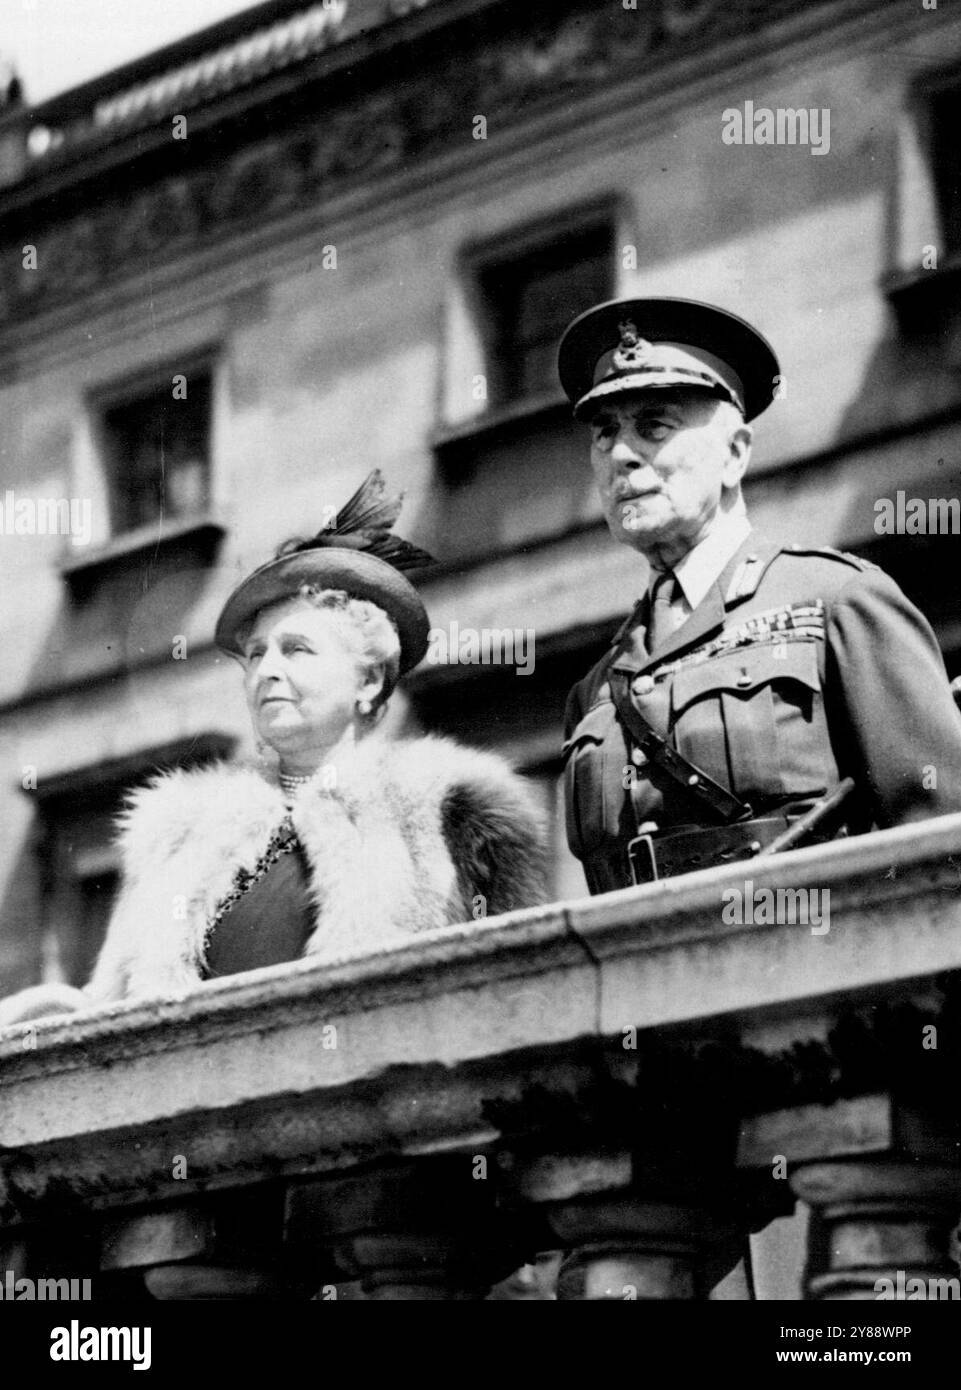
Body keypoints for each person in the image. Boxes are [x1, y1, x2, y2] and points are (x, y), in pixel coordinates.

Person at [0, 471, 546, 1020]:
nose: (267, 671)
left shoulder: (449, 809)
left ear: (369, 681)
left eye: (297, 649)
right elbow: (113, 1015)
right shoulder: (174, 838)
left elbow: (514, 1000)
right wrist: (49, 1007)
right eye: (257, 654)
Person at [557, 297, 961, 895]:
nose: (620, 453)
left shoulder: (838, 603)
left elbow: (943, 843)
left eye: (654, 426)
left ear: (735, 454)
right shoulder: (597, 688)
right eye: (605, 432)